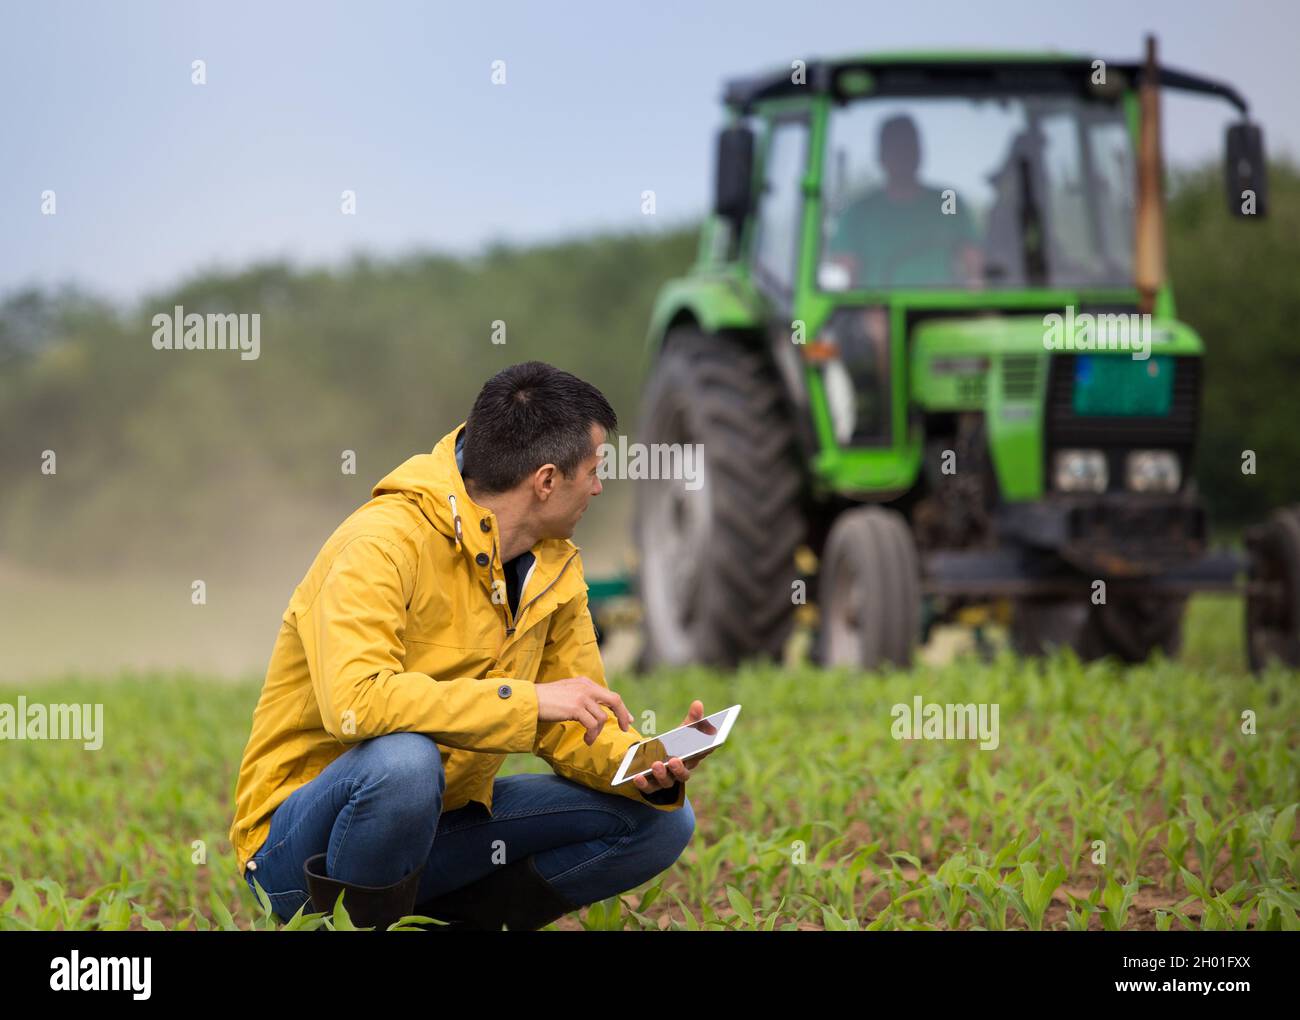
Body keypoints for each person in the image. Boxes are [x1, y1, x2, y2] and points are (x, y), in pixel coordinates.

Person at [229, 362, 706, 930]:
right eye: (595, 470)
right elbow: (356, 704)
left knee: (660, 824)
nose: (600, 488)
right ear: (547, 480)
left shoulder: (557, 566)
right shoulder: (378, 544)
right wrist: (528, 701)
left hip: (438, 827)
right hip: (299, 853)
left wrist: (643, 766)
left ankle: (443, 924)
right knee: (403, 763)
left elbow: (573, 720)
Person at [826, 113, 983, 288]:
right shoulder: (858, 212)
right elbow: (844, 274)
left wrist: (977, 301)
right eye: (897, 149)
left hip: (943, 311)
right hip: (877, 310)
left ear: (920, 151)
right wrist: (868, 311)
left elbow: (973, 264)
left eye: (910, 147)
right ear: (882, 156)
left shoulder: (948, 201)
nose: (904, 155)